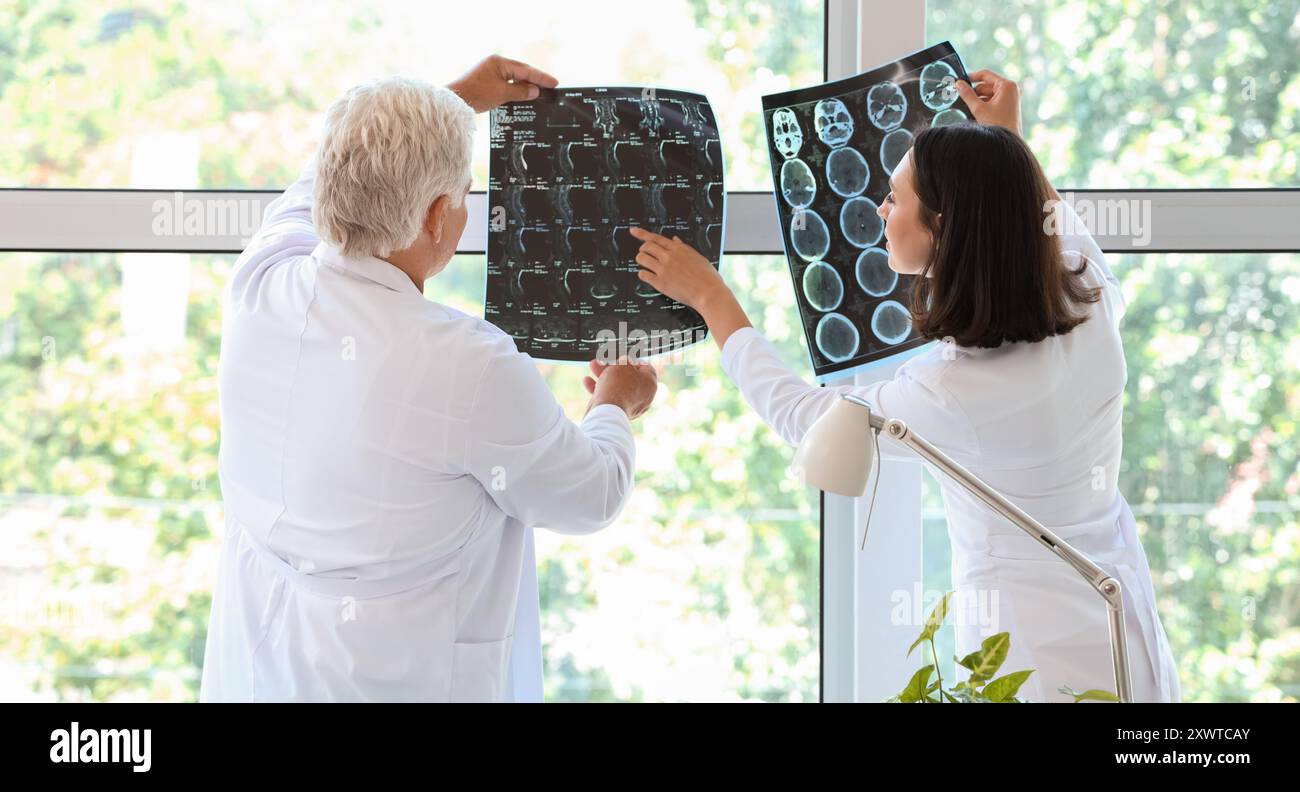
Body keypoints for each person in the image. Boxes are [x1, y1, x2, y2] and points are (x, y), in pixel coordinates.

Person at [630, 69, 1180, 702]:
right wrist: (1003, 143)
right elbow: (1042, 220)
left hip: (1035, 661)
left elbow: (809, 420)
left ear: (941, 228)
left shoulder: (951, 392)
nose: (880, 211)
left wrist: (711, 298)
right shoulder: (1088, 294)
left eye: (896, 198)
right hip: (1123, 632)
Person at [201, 56, 659, 702]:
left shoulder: (261, 281)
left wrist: (456, 102)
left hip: (263, 668)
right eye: (466, 197)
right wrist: (617, 401)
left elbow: (338, 170)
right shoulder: (467, 366)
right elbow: (591, 494)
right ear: (437, 218)